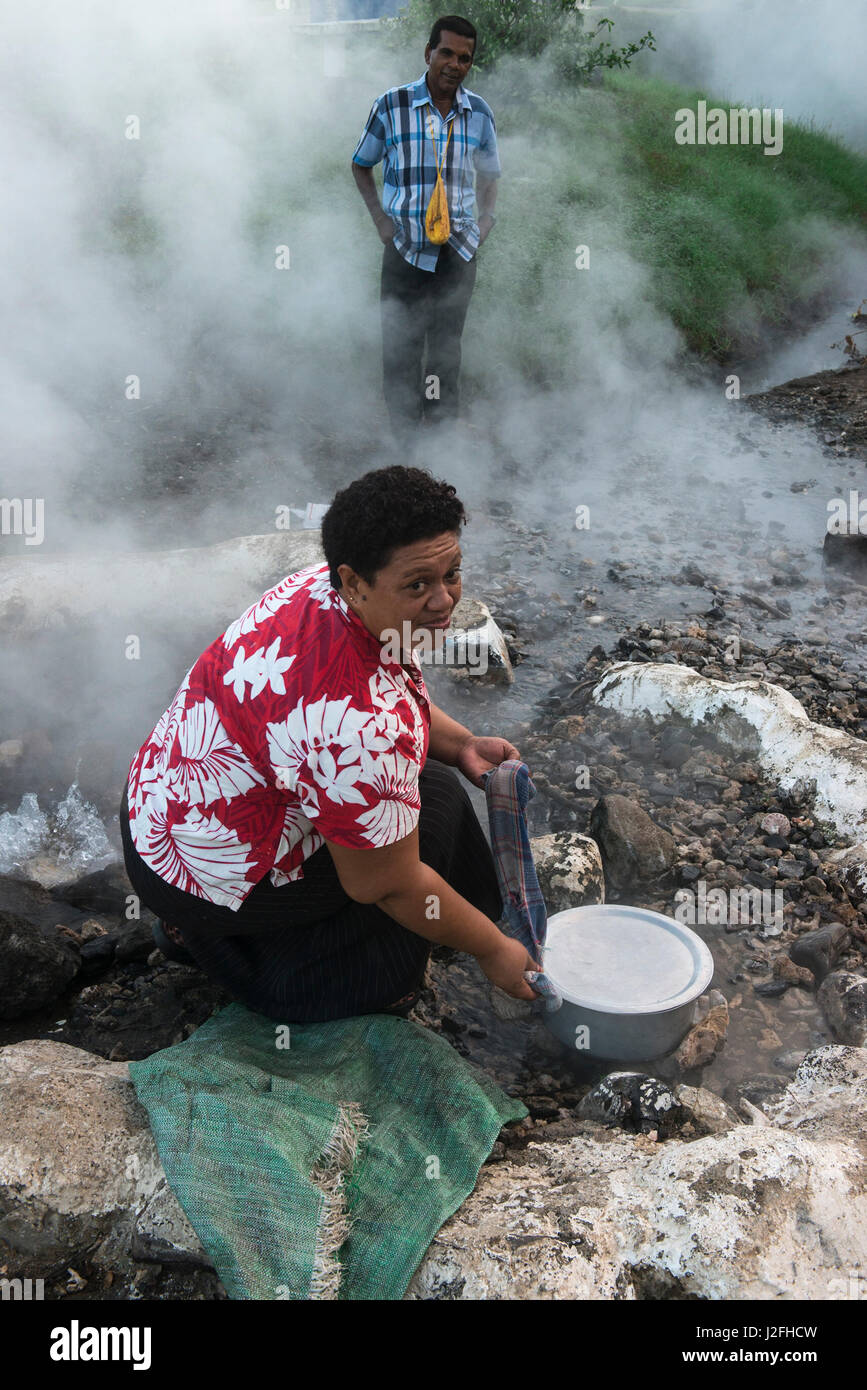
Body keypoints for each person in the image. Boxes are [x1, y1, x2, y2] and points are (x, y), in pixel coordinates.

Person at [119, 465, 539, 1024]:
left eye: (453, 573)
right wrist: (492, 950)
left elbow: (393, 690)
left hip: (154, 813)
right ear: (355, 581)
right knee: (407, 887)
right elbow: (383, 883)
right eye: (418, 585)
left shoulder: (318, 589)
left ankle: (228, 928)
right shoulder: (362, 729)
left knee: (429, 789)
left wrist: (461, 743)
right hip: (197, 872)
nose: (445, 601)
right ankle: (218, 947)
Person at [351, 14, 500, 440]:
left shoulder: (479, 114)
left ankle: (439, 447)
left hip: (457, 255)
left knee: (445, 353)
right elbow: (361, 165)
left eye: (465, 58)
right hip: (405, 252)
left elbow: (491, 175)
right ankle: (405, 447)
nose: (455, 64)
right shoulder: (391, 106)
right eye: (447, 53)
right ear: (428, 53)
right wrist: (381, 219)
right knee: (400, 349)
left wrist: (485, 222)